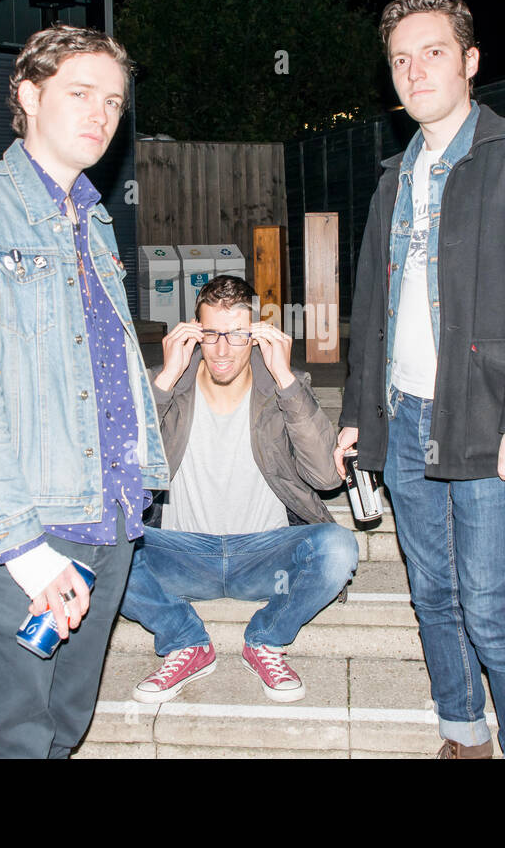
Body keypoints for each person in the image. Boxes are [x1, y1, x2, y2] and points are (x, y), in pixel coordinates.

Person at [336, 0, 505, 758]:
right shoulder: (393, 177)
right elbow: (371, 308)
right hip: (406, 413)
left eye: (433, 52)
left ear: (471, 62)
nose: (416, 71)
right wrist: (359, 412)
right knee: (434, 595)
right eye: (401, 60)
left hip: (488, 417)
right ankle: (462, 735)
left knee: (491, 606)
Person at [0, 23, 169, 758]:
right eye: (80, 93)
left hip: (109, 512)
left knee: (62, 727)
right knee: (13, 736)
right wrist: (22, 548)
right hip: (23, 524)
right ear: (27, 94)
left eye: (114, 101)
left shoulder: (93, 221)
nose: (101, 113)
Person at [119, 275, 359, 703]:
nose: (223, 350)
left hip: (263, 556)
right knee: (97, 544)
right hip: (181, 555)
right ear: (193, 332)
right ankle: (185, 640)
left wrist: (285, 378)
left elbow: (326, 477)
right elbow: (122, 467)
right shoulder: (163, 382)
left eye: (236, 335)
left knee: (338, 548)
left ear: (257, 335)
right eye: (210, 334)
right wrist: (164, 382)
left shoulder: (285, 386)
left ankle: (265, 639)